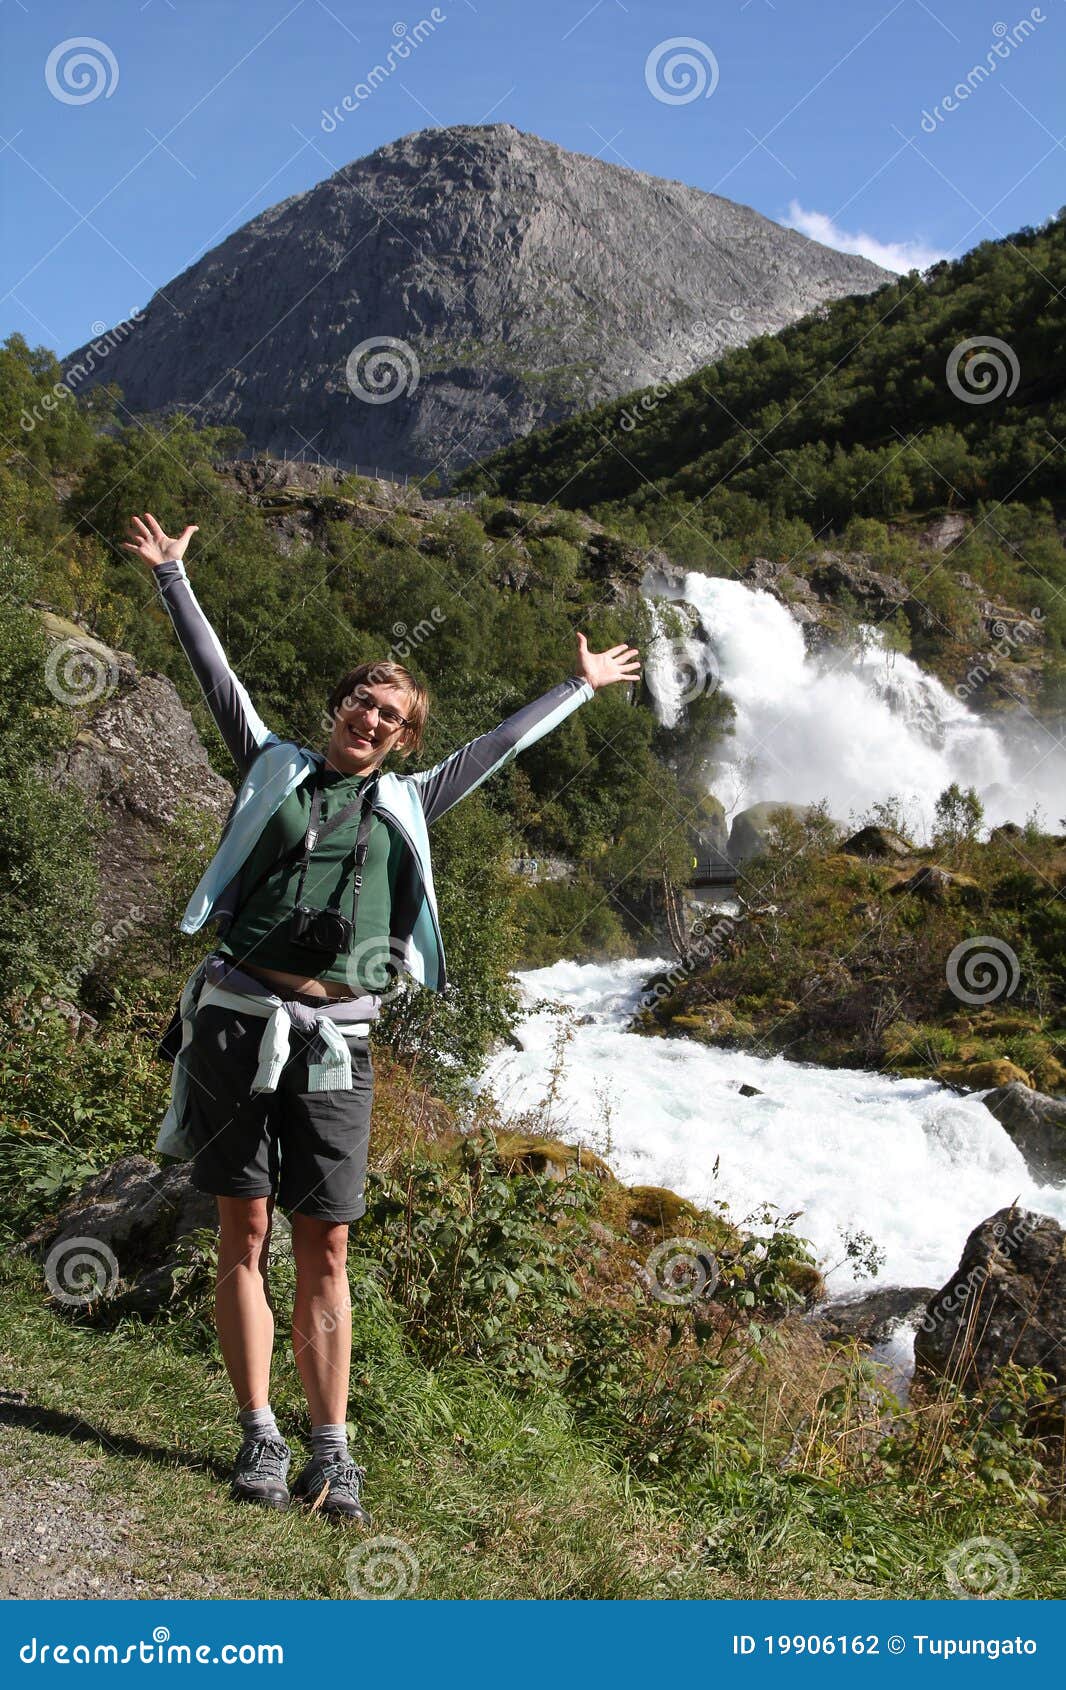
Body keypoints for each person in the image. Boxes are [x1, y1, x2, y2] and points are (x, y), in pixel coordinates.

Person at [121, 511, 640, 1526]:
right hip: (237, 1015)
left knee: (326, 1246)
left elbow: (497, 746)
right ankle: (259, 1433)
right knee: (243, 1229)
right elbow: (217, 680)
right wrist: (173, 579)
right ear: (340, 704)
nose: (372, 718)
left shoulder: (410, 800)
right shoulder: (272, 762)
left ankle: (332, 1448)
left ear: (404, 738)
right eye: (364, 699)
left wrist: (577, 686)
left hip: (338, 1038)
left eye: (392, 715)